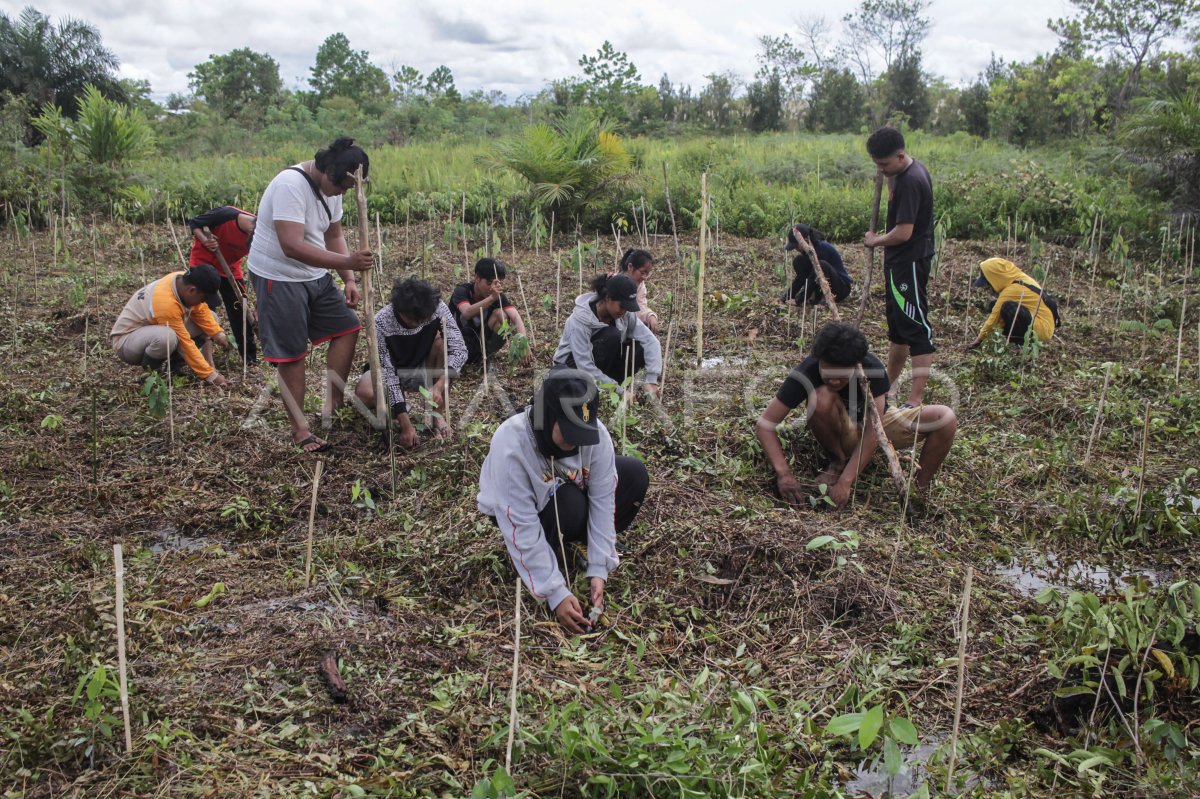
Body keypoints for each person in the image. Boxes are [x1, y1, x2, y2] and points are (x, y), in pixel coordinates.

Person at [478, 369, 649, 633]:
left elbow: (604, 501)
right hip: (523, 509)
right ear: (547, 417)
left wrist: (599, 566)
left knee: (633, 475)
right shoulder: (511, 445)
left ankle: (578, 543)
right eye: (568, 433)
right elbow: (519, 523)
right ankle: (556, 545)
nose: (575, 443)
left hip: (569, 494)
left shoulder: (596, 435)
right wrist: (554, 593)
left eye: (582, 433)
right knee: (569, 503)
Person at [247, 137, 374, 454]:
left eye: (348, 188)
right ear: (326, 169)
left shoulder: (335, 190)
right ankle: (300, 430)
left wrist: (348, 279)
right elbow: (291, 245)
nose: (341, 193)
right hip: (279, 275)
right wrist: (347, 263)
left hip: (315, 275)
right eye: (340, 185)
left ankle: (332, 405)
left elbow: (333, 234)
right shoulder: (290, 185)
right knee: (292, 355)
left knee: (347, 328)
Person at [754, 321, 957, 510]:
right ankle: (837, 461)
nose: (834, 381)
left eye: (842, 376)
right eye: (828, 373)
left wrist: (846, 482)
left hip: (877, 425)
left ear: (857, 364)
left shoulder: (872, 368)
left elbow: (873, 431)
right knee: (821, 395)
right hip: (841, 430)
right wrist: (784, 473)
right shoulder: (806, 372)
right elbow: (765, 425)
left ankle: (918, 490)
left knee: (944, 417)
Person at [863, 126, 935, 409]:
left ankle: (915, 399)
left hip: (910, 262)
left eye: (883, 165)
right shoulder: (899, 174)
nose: (880, 170)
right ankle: (888, 386)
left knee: (916, 328)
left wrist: (874, 241)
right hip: (897, 263)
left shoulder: (911, 182)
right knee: (898, 329)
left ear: (901, 156)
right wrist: (886, 176)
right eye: (876, 165)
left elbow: (904, 232)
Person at [355, 278, 467, 449]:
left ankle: (437, 415)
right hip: (390, 371)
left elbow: (459, 350)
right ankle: (397, 413)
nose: (417, 325)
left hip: (423, 367)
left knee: (440, 344)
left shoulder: (437, 308)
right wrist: (406, 424)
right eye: (412, 320)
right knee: (365, 392)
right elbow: (388, 373)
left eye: (422, 320)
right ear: (399, 310)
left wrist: (440, 383)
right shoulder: (381, 322)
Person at [110, 264, 233, 386]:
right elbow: (185, 344)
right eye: (203, 298)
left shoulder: (181, 280)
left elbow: (201, 311)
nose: (203, 302)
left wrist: (218, 334)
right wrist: (210, 375)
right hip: (126, 342)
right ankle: (151, 377)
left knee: (212, 317)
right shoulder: (166, 304)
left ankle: (175, 367)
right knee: (168, 337)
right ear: (192, 290)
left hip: (150, 333)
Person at [552, 273, 662, 398]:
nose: (624, 311)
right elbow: (585, 365)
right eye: (622, 306)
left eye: (628, 307)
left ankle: (611, 385)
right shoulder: (578, 322)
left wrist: (651, 379)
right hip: (571, 368)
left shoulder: (624, 314)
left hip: (603, 364)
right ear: (608, 298)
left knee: (638, 348)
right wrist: (618, 391)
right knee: (612, 335)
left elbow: (650, 341)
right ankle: (603, 389)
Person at [187, 205, 258, 363]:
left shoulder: (261, 234)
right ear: (251, 232)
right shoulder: (225, 215)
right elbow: (194, 224)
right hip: (204, 264)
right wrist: (206, 241)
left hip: (230, 268)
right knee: (203, 310)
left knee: (239, 308)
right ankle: (204, 358)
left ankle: (249, 358)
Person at [450, 257, 533, 367]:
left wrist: (523, 343)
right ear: (477, 278)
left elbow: (516, 317)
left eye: (497, 283)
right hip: (456, 345)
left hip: (480, 344)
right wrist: (491, 298)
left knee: (501, 316)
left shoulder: (497, 296)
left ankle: (485, 356)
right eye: (489, 283)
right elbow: (467, 313)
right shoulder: (462, 291)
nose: (492, 288)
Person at [966, 257, 1059, 349]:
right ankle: (1012, 339)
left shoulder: (1014, 289)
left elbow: (994, 317)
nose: (989, 286)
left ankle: (1020, 343)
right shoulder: (1020, 278)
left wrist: (979, 340)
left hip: (1042, 329)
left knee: (1008, 307)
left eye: (988, 282)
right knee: (995, 304)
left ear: (996, 277)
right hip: (1040, 323)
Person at [783, 223, 852, 307]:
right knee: (799, 261)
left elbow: (813, 276)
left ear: (805, 240)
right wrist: (786, 297)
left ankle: (826, 300)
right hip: (822, 285)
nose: (796, 249)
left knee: (821, 265)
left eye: (796, 246)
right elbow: (801, 278)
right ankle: (817, 297)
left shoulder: (822, 248)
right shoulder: (809, 251)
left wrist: (799, 300)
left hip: (840, 288)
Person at [617, 248, 659, 334]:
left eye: (647, 273)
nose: (645, 277)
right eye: (643, 272)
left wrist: (649, 316)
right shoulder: (614, 283)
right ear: (630, 267)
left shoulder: (640, 286)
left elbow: (640, 307)